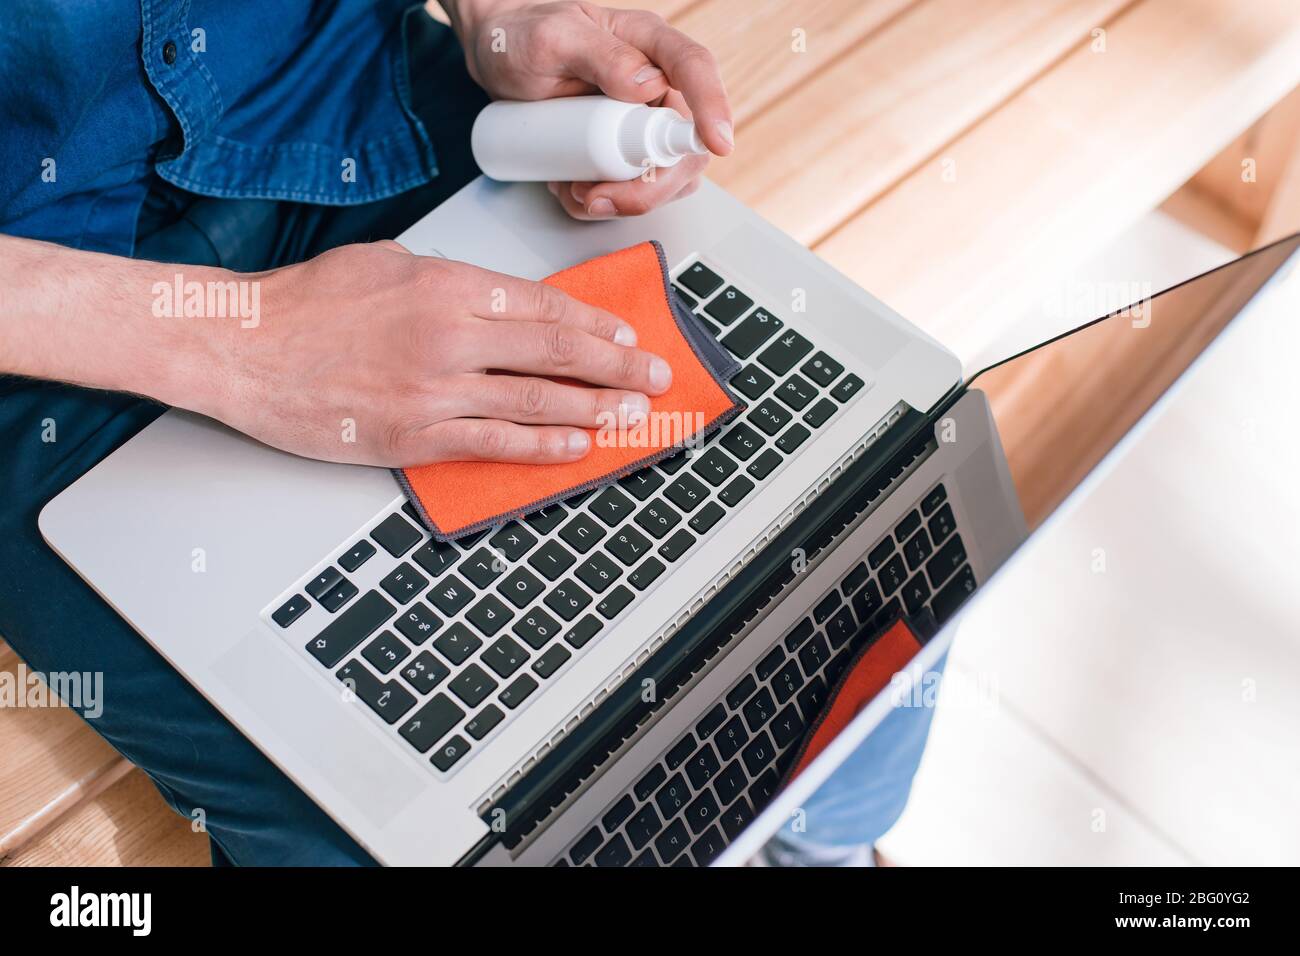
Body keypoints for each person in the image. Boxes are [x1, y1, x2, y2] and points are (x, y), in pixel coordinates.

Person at [0, 0, 933, 865]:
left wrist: (502, 14)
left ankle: (818, 843)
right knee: (415, 819)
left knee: (857, 507)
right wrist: (237, 340)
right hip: (53, 321)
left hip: (350, 88)